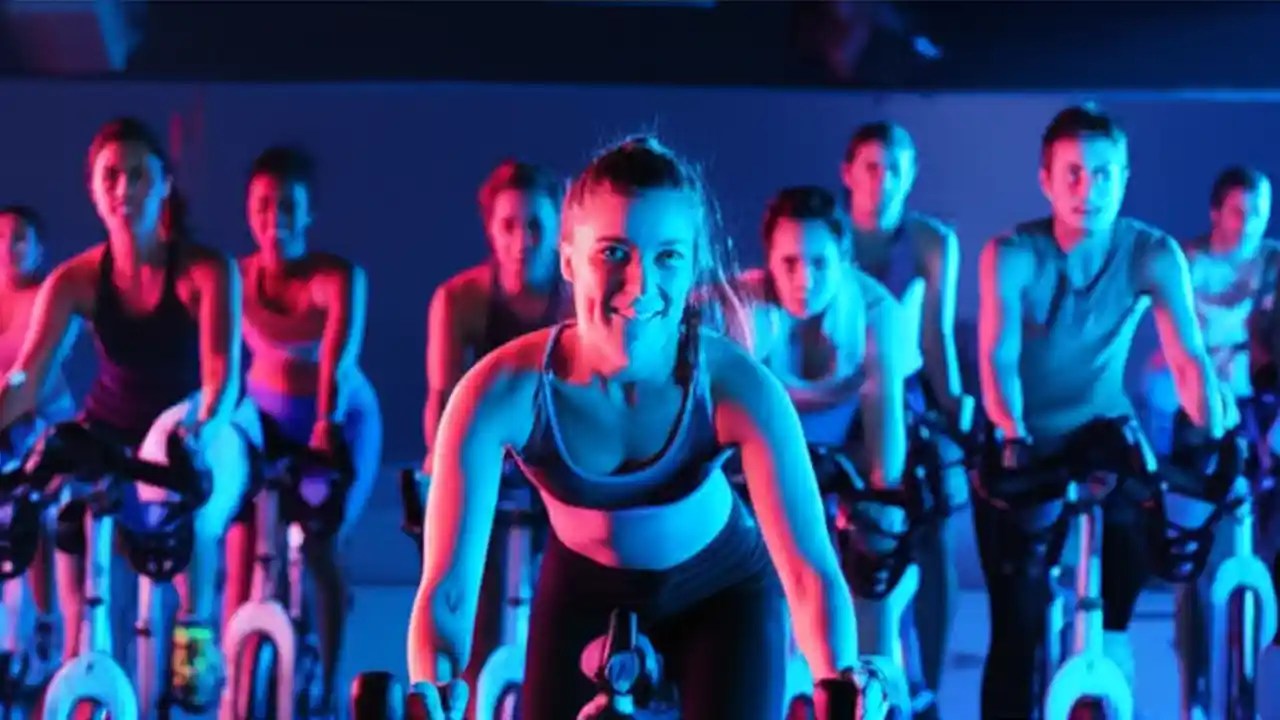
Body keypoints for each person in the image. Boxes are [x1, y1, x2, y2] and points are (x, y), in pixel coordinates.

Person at [407, 136, 863, 720]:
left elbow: (809, 574)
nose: (642, 285)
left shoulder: (737, 387)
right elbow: (446, 589)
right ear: (568, 260)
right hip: (579, 599)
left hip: (722, 598)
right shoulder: (498, 393)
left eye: (668, 256)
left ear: (693, 262)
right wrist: (430, 690)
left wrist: (839, 683)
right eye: (614, 253)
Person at [976, 103, 1235, 719]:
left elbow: (1189, 360)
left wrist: (1214, 430)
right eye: (1072, 173)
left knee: (1122, 579)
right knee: (1015, 630)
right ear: (1045, 180)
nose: (1089, 189)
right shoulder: (1011, 254)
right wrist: (1014, 439)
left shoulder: (1152, 253)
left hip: (1105, 431)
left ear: (1125, 177)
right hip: (1026, 438)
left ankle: (1111, 652)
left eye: (1104, 173)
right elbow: (997, 361)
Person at [0, 117, 254, 710]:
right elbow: (26, 379)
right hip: (112, 423)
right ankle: (73, 653)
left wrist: (200, 432)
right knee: (62, 492)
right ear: (93, 188)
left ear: (163, 185)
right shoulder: (76, 279)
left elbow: (222, 376)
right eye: (111, 176)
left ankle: (196, 638)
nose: (124, 188)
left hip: (193, 423)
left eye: (138, 175)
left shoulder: (205, 271)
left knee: (191, 504)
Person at [737, 186, 933, 709]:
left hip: (853, 437)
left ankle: (883, 683)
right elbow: (727, 424)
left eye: (819, 262)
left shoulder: (875, 310)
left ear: (844, 261)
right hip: (772, 445)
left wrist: (882, 499)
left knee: (879, 546)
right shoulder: (745, 310)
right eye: (790, 263)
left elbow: (884, 415)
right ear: (770, 263)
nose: (805, 279)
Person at [223, 146, 381, 716]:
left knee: (318, 545)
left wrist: (322, 430)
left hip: (337, 419)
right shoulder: (236, 277)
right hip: (265, 422)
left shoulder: (338, 279)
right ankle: (233, 689)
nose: (275, 219)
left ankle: (333, 687)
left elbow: (337, 360)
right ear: (249, 211)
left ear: (309, 213)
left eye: (288, 206)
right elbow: (219, 366)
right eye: (263, 206)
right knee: (239, 549)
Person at [421, 159, 565, 719]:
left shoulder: (573, 302)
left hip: (557, 450)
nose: (523, 239)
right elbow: (441, 401)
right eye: (510, 225)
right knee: (470, 588)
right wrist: (440, 466)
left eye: (536, 225)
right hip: (488, 447)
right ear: (490, 230)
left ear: (557, 233)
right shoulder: (459, 300)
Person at [1141, 167, 1280, 720]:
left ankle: (1259, 680)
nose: (1251, 224)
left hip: (1259, 415)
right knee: (1195, 563)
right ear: (1216, 213)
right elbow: (1172, 357)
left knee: (1264, 550)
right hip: (1195, 417)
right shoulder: (1185, 262)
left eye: (1262, 211)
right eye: (1240, 211)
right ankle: (1193, 689)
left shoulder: (1274, 263)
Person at [840, 120, 969, 701]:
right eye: (871, 166)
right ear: (848, 174)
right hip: (836, 399)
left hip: (909, 396)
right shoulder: (827, 236)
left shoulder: (932, 242)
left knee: (935, 525)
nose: (882, 180)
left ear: (910, 176)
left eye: (894, 168)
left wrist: (957, 407)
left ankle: (929, 690)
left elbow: (937, 336)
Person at [0, 204, 81, 683]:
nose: (8, 248)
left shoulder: (50, 298)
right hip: (4, 430)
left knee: (43, 531)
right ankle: (12, 640)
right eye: (1, 238)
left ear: (38, 248)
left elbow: (37, 373)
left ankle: (48, 633)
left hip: (44, 425)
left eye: (19, 238)